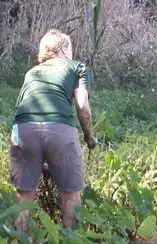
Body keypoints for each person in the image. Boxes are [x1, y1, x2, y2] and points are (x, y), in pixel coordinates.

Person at [11, 30, 97, 231]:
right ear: (64, 48)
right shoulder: (77, 67)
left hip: (21, 131)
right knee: (70, 194)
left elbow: (22, 110)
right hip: (60, 129)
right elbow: (82, 105)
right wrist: (89, 136)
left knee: (23, 196)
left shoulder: (31, 73)